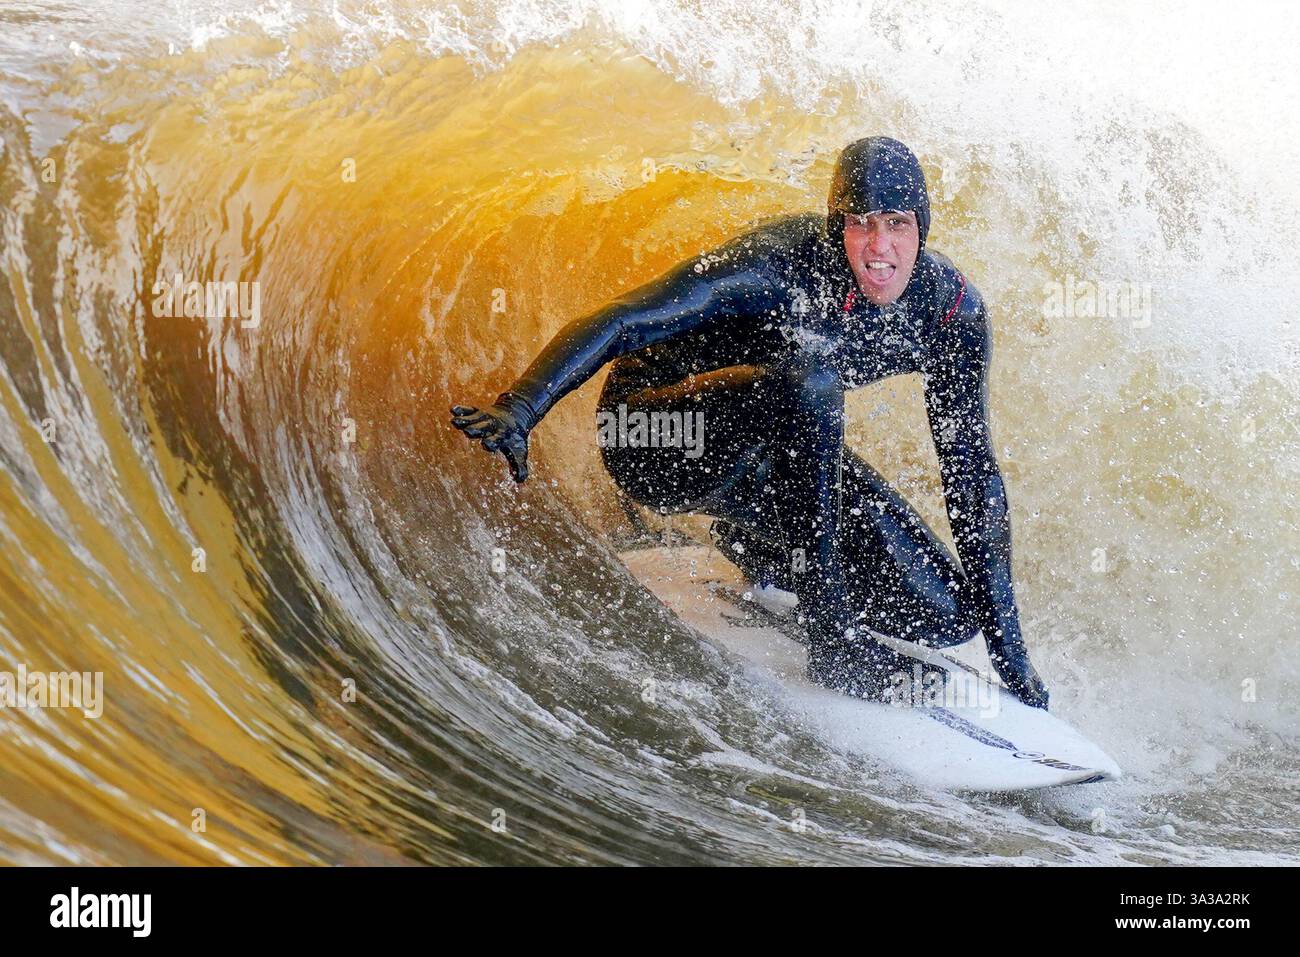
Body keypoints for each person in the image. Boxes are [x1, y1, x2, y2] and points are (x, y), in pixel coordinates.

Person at [451, 136, 1049, 709]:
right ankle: (831, 636)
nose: (877, 246)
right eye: (859, 223)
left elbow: (971, 474)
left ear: (922, 228)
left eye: (896, 223)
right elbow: (627, 318)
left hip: (769, 466)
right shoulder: (778, 265)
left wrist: (1010, 653)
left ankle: (760, 550)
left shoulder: (951, 315)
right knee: (811, 378)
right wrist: (522, 407)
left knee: (945, 614)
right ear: (835, 225)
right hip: (655, 439)